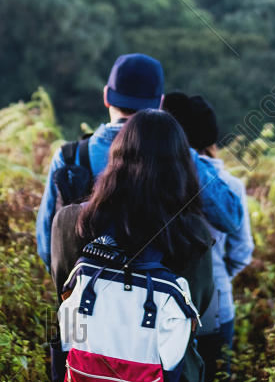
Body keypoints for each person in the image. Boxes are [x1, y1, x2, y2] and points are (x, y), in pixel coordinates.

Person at [49, 109, 215, 382]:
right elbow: (197, 307)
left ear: (115, 156)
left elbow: (64, 293)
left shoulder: (70, 223)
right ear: (181, 167)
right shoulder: (192, 235)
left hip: (85, 380)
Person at [35, 53, 245, 272]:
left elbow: (47, 245)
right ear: (160, 103)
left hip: (87, 295)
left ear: (106, 96)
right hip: (158, 299)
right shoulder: (179, 155)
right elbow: (231, 217)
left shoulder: (69, 156)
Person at [162, 91, 254, 382]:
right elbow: (242, 251)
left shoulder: (162, 182)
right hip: (216, 305)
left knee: (174, 379)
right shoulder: (229, 186)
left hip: (171, 303)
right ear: (211, 139)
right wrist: (219, 278)